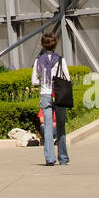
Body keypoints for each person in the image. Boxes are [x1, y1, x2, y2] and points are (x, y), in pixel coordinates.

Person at [30, 31, 71, 166]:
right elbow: (67, 78)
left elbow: (34, 81)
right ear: (55, 44)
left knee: (47, 126)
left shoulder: (38, 61)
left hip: (45, 94)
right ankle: (63, 158)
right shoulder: (60, 60)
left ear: (43, 44)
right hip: (59, 94)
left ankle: (49, 158)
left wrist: (43, 81)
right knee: (60, 126)